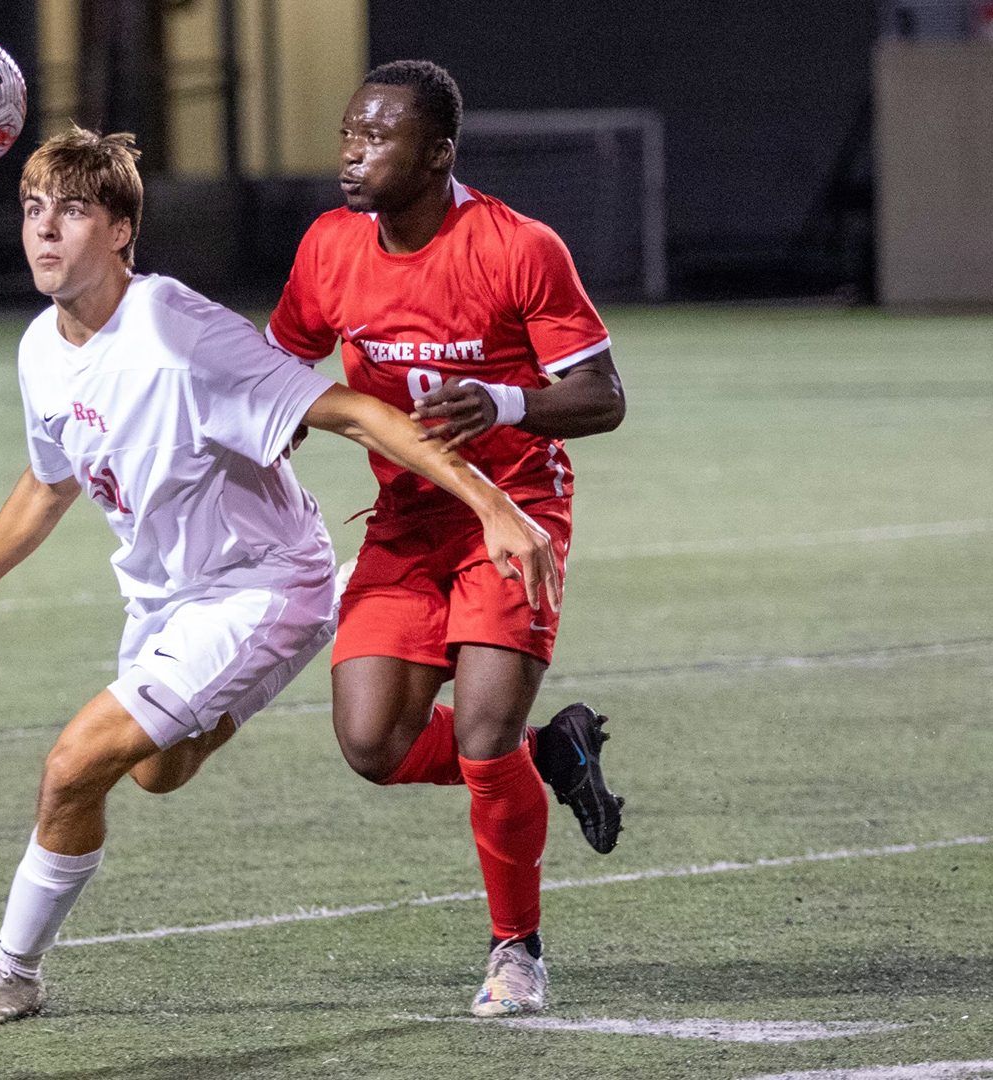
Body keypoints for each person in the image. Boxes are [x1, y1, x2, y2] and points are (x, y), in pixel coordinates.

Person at [0, 126, 560, 1027]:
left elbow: (355, 411)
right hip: (166, 601)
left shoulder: (178, 331)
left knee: (72, 767)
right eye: (32, 210)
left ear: (123, 229)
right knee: (152, 774)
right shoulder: (40, 348)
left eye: (75, 212)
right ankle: (538, 754)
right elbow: (48, 483)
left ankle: (10, 968)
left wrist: (490, 504)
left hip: (262, 587)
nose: (46, 232)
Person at [265, 60, 629, 1017]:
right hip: (409, 518)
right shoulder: (329, 248)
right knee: (371, 742)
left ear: (437, 154)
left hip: (514, 510)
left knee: (479, 732)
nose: (352, 152)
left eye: (377, 138)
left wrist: (507, 399)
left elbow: (603, 396)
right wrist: (270, 421)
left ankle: (518, 951)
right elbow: (284, 358)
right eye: (349, 133)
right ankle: (555, 752)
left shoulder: (518, 246)